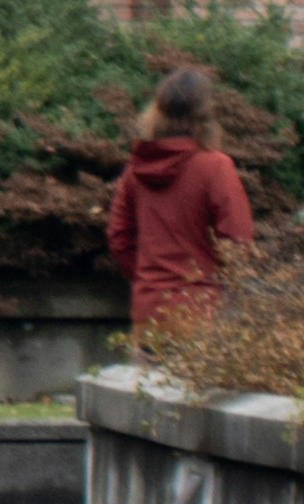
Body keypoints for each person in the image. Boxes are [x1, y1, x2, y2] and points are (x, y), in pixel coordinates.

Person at [106, 63, 256, 335]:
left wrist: (147, 279)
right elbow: (238, 239)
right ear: (206, 113)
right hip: (200, 311)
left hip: (148, 312)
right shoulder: (215, 167)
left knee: (147, 379)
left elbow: (119, 237)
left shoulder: (135, 170)